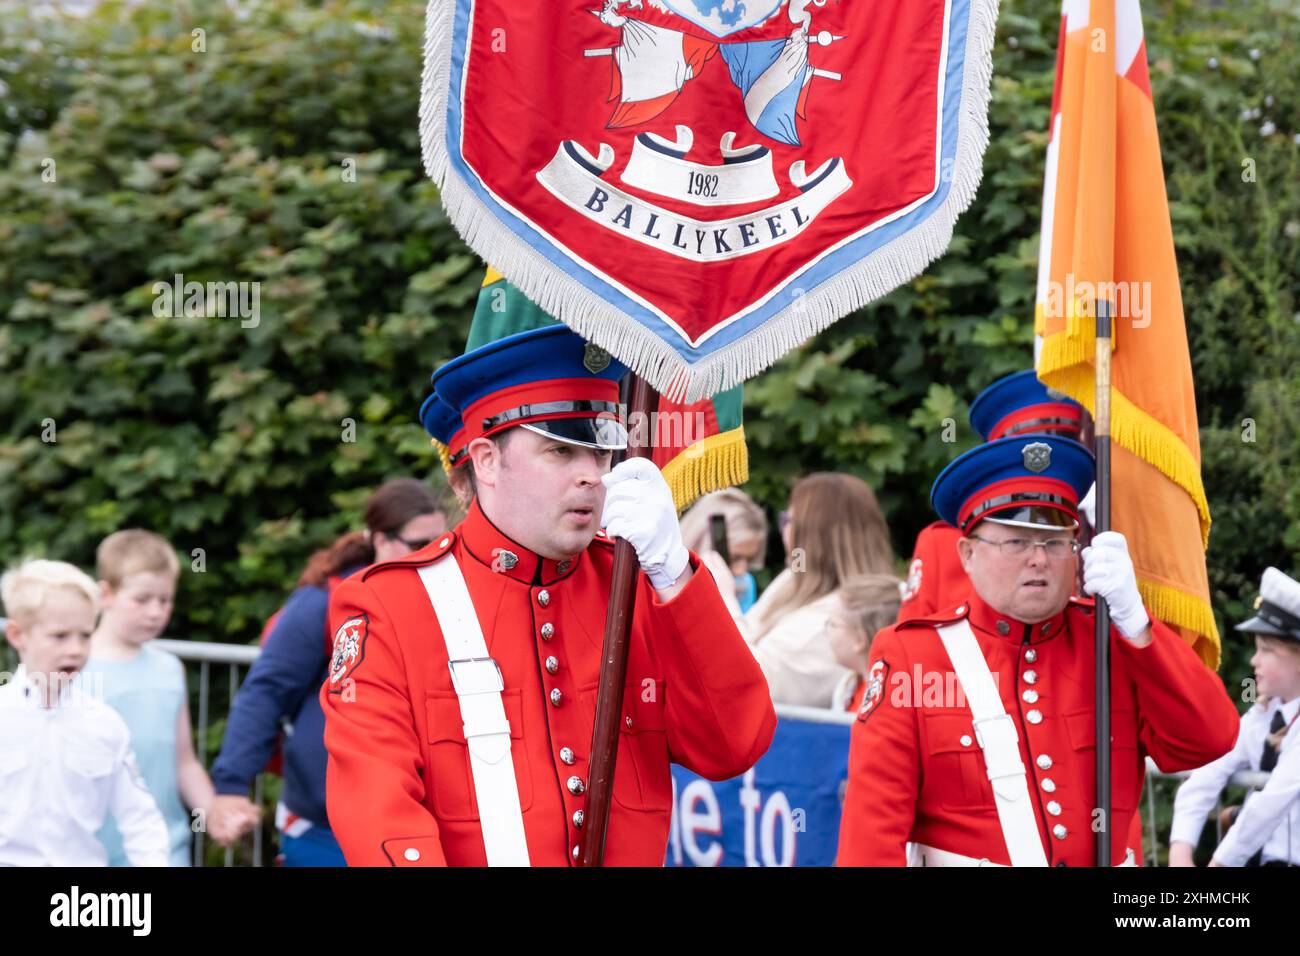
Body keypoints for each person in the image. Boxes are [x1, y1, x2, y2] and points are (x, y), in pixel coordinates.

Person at [320, 325, 776, 866]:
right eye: (561, 451)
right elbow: (378, 810)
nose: (592, 477)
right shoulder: (390, 606)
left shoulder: (635, 586)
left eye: (601, 453)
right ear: (486, 461)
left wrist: (674, 572)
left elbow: (734, 743)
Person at [836, 435, 1240, 866]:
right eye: (1016, 542)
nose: (1039, 560)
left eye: (1054, 542)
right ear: (968, 554)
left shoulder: (1111, 644)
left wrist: (1138, 624)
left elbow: (1209, 739)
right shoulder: (915, 658)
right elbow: (873, 834)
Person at [207, 478, 449, 865]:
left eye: (442, 542)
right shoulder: (322, 603)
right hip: (323, 828)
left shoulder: (440, 599)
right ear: (381, 541)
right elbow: (266, 691)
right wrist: (232, 785)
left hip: (409, 820)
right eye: (420, 545)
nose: (434, 555)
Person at [0, 559, 168, 866]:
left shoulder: (105, 724)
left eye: (85, 635)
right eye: (60, 636)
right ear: (17, 636)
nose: (76, 649)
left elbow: (141, 819)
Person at [898, 370, 1083, 623]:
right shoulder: (942, 544)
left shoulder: (1112, 532)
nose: (1042, 464)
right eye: (1020, 453)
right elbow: (916, 639)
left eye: (1068, 449)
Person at [80, 530, 213, 866]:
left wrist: (212, 811)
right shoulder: (73, 668)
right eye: (142, 600)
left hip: (163, 849)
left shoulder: (170, 669)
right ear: (105, 593)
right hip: (88, 850)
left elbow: (185, 762)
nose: (156, 612)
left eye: (165, 600)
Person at [1169, 567, 1300, 867]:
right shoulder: (1263, 712)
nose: (1254, 660)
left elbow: (1270, 804)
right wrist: (1181, 851)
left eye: (1266, 651)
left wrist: (1218, 864)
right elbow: (1209, 771)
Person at [736, 472, 895, 709]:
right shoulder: (795, 581)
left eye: (787, 521)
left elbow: (746, 682)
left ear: (813, 535)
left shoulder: (845, 615)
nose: (782, 532)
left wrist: (720, 598)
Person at [679, 488, 768, 613]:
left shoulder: (744, 585)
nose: (741, 570)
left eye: (749, 559)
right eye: (734, 558)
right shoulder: (662, 583)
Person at [828, 574, 902, 712]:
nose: (827, 631)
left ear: (860, 640)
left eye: (832, 624)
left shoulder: (881, 704)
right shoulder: (849, 686)